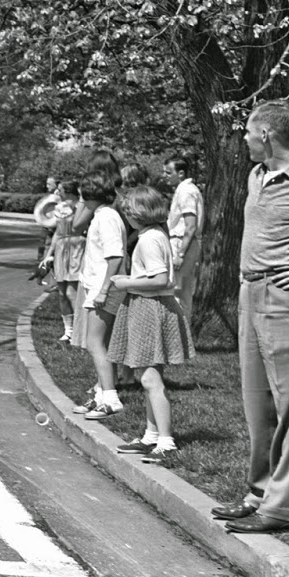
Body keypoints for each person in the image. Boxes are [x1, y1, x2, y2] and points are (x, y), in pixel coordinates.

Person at [217, 101, 289, 534]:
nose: (244, 140)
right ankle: (259, 491)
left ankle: (285, 507)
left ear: (267, 134)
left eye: (249, 133)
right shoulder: (257, 176)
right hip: (250, 289)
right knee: (258, 402)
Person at [106, 185, 194, 465]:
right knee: (147, 374)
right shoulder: (155, 235)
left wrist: (125, 282)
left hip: (150, 308)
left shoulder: (148, 240)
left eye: (128, 211)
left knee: (149, 378)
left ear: (136, 214)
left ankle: (165, 440)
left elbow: (159, 280)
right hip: (147, 307)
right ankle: (151, 435)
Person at [70, 176, 129, 418]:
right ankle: (100, 394)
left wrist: (104, 290)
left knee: (96, 343)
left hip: (103, 287)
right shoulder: (104, 215)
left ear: (88, 195)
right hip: (98, 284)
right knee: (101, 343)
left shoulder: (106, 218)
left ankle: (111, 398)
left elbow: (115, 256)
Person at [37, 180, 85, 344]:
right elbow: (58, 232)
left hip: (76, 248)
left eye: (60, 190)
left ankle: (80, 329)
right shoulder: (60, 208)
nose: (57, 193)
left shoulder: (81, 207)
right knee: (62, 293)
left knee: (73, 292)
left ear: (68, 191)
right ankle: (68, 330)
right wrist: (49, 253)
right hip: (61, 249)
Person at [164, 155, 204, 324]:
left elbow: (190, 225)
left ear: (180, 173)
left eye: (168, 172)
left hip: (182, 242)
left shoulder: (186, 191)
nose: (164, 175)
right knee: (178, 292)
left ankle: (180, 337)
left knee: (178, 292)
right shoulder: (183, 189)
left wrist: (180, 253)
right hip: (181, 241)